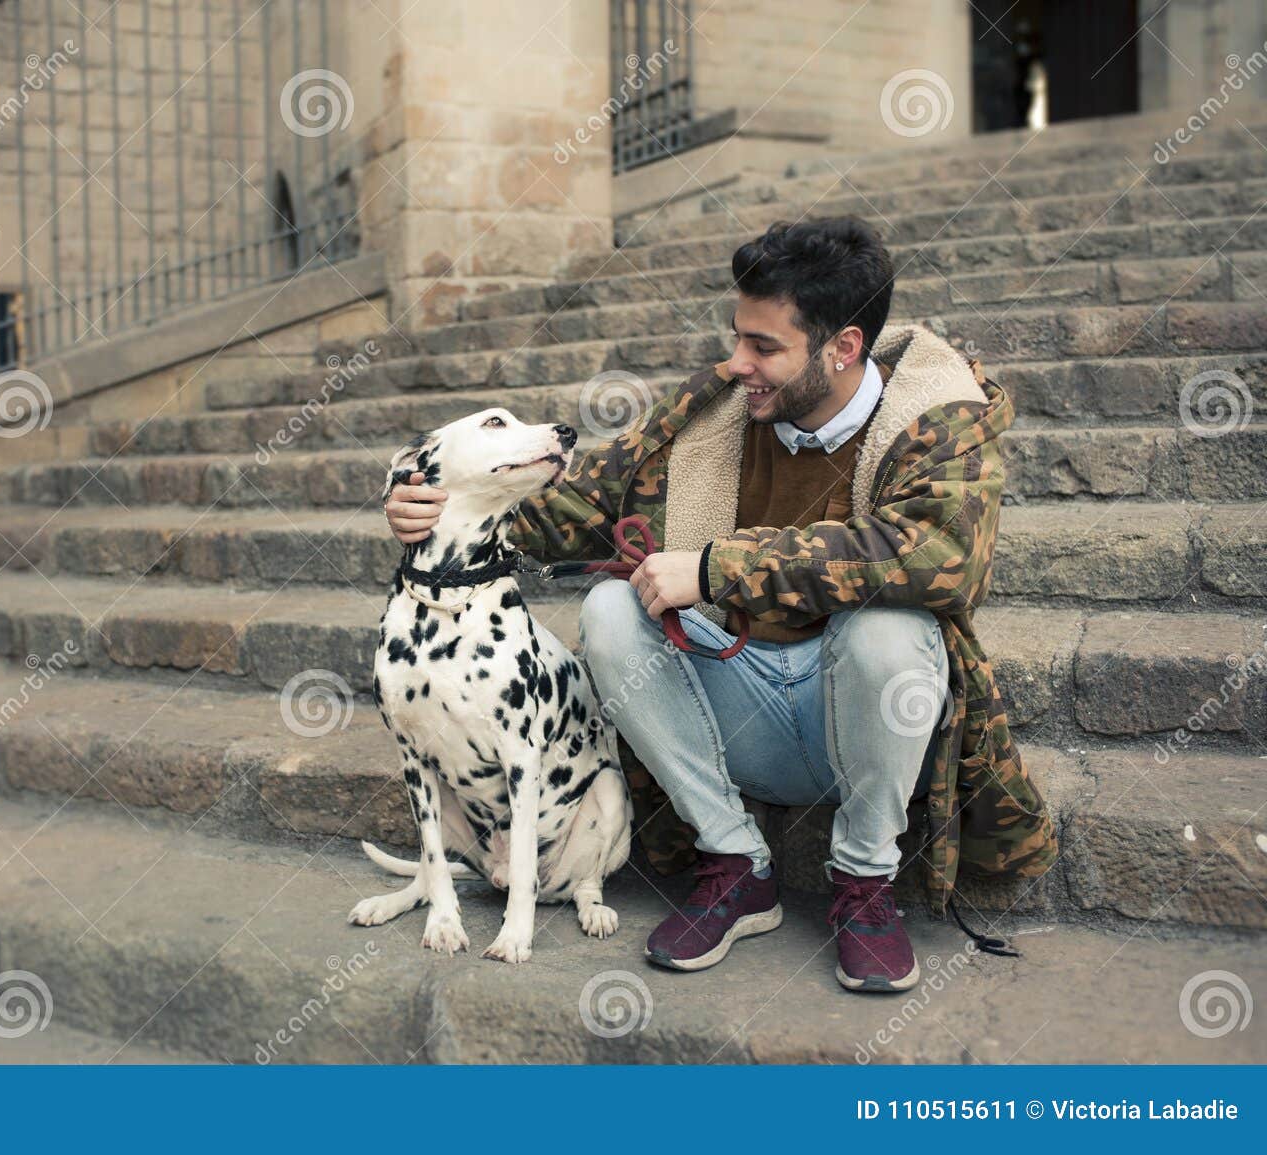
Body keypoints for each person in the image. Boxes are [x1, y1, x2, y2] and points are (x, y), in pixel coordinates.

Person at [383, 216, 1057, 993]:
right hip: (737, 713)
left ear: (842, 347)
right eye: (739, 336)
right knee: (609, 610)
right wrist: (434, 501)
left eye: (764, 347)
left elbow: (941, 554)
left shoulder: (939, 413)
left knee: (892, 628)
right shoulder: (714, 410)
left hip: (866, 720)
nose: (738, 363)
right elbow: (574, 501)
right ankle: (737, 861)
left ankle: (866, 884)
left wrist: (716, 567)